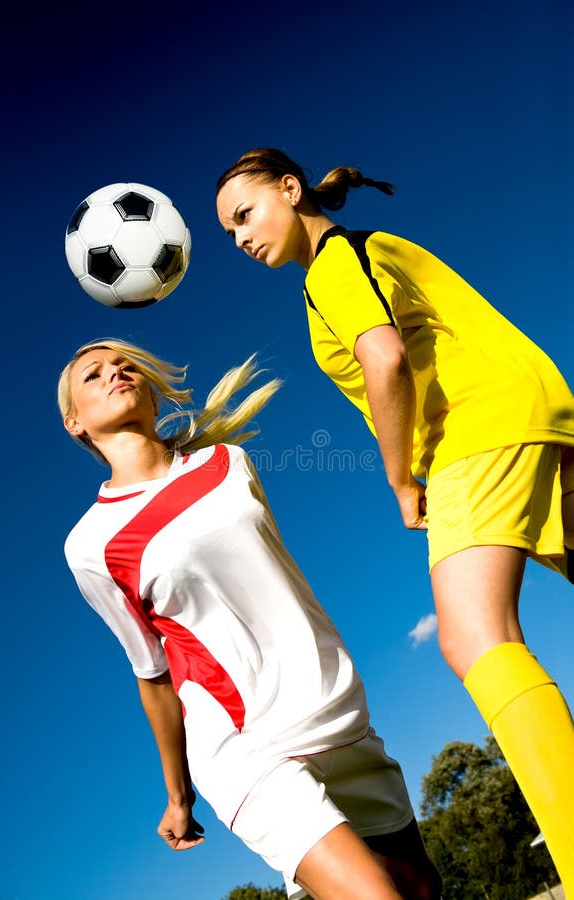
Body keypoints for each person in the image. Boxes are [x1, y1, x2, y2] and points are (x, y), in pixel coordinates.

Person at [216, 148, 574, 889]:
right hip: (536, 410)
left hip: (477, 434)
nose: (240, 238)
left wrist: (399, 477)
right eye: (228, 234)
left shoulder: (331, 266)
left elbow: (383, 358)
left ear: (291, 189)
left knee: (475, 637)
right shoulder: (371, 246)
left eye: (244, 215)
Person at [58, 338, 441, 900]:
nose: (115, 372)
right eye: (93, 375)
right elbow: (153, 672)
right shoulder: (90, 545)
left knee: (420, 888)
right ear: (75, 423)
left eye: (125, 364)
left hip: (337, 712)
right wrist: (179, 796)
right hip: (243, 742)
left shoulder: (229, 464)